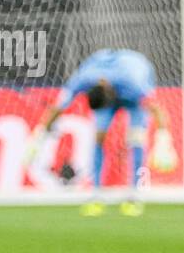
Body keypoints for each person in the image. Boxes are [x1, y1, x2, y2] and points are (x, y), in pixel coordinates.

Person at [27, 48, 174, 217]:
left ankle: (134, 195)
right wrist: (37, 138)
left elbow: (157, 110)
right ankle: (96, 194)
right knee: (98, 138)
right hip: (106, 76)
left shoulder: (133, 82)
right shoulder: (82, 79)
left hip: (135, 82)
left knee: (136, 140)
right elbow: (57, 108)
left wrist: (164, 141)